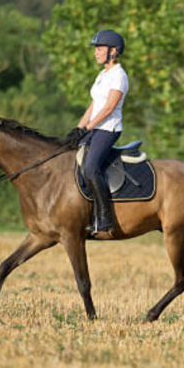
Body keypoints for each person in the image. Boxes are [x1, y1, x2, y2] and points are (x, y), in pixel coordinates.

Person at [65, 30, 129, 236]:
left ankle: (104, 218)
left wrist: (88, 128)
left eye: (99, 48)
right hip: (95, 127)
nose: (95, 52)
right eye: (96, 49)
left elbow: (109, 108)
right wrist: (78, 129)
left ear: (113, 51)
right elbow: (94, 105)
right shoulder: (103, 75)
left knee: (91, 167)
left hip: (107, 130)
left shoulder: (119, 75)